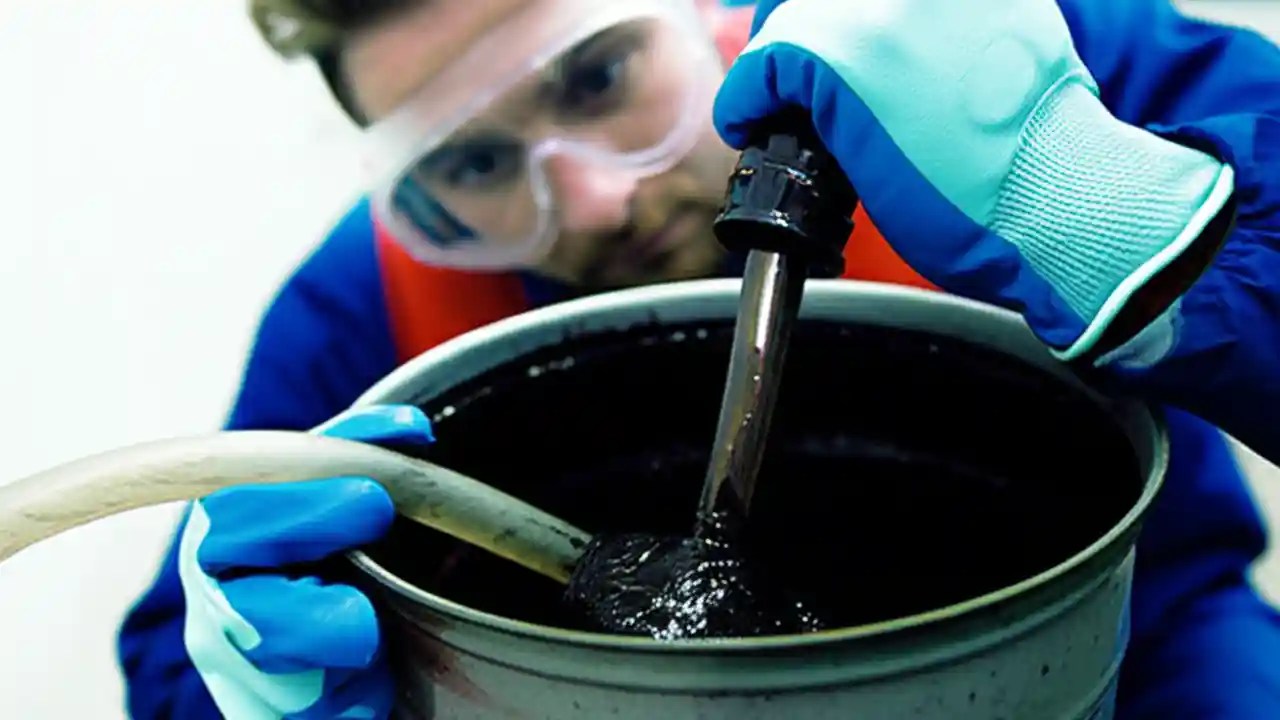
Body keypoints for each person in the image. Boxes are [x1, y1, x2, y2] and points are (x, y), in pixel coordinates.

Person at [116, 0, 1280, 717]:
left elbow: (1178, 599)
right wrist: (243, 697)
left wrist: (1125, 211)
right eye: (470, 164)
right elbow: (189, 651)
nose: (595, 199)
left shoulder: (986, 62)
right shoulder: (355, 322)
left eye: (596, 77)